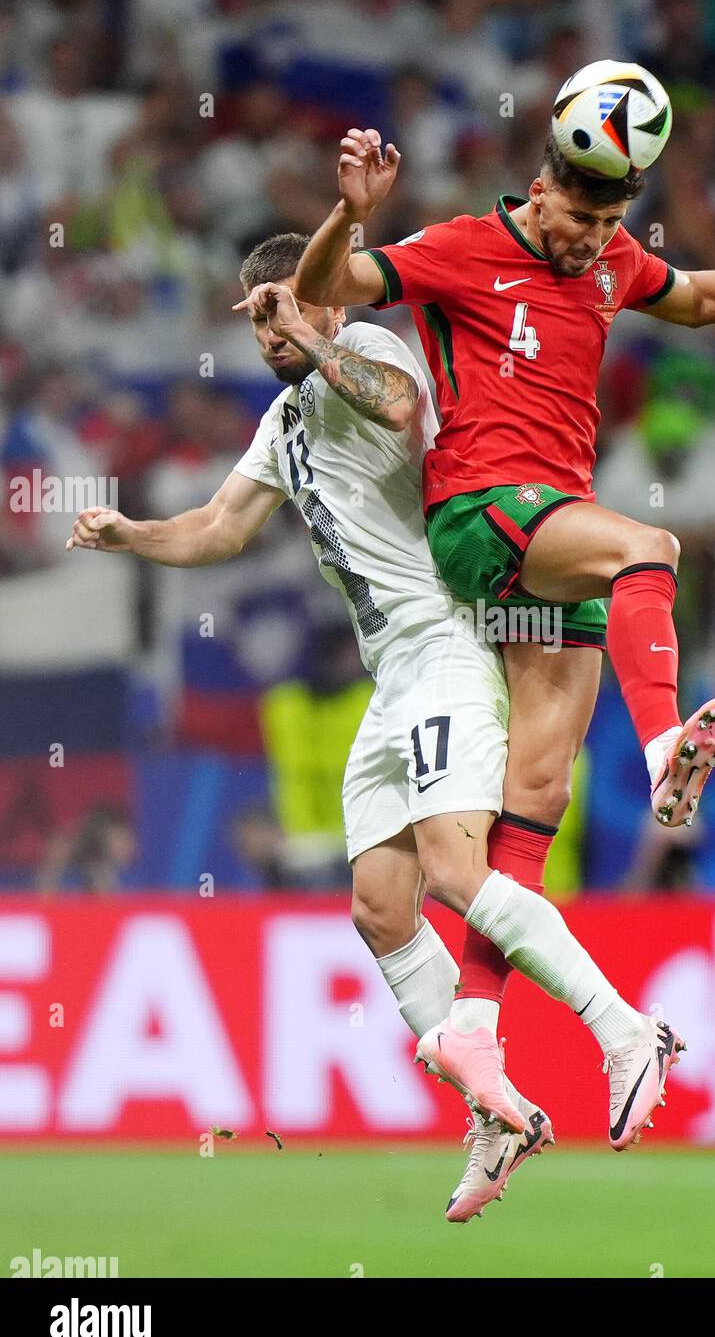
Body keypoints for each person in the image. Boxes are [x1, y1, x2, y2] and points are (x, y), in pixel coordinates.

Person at [69, 233, 683, 1222]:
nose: (270, 326)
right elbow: (220, 527)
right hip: (388, 674)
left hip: (444, 643)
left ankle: (623, 1030)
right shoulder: (283, 419)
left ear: (324, 302)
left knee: (452, 869)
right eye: (256, 312)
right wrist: (130, 535)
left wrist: (311, 338)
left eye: (285, 304)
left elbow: (399, 410)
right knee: (380, 905)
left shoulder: (376, 356)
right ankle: (495, 1111)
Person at [289, 117, 715, 1063]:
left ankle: (477, 1046)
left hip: (550, 536)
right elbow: (321, 292)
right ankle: (666, 744)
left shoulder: (612, 262)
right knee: (651, 546)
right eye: (580, 215)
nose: (589, 238)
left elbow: (702, 301)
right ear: (540, 188)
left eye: (609, 220)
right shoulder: (460, 247)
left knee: (531, 807)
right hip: (478, 515)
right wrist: (347, 217)